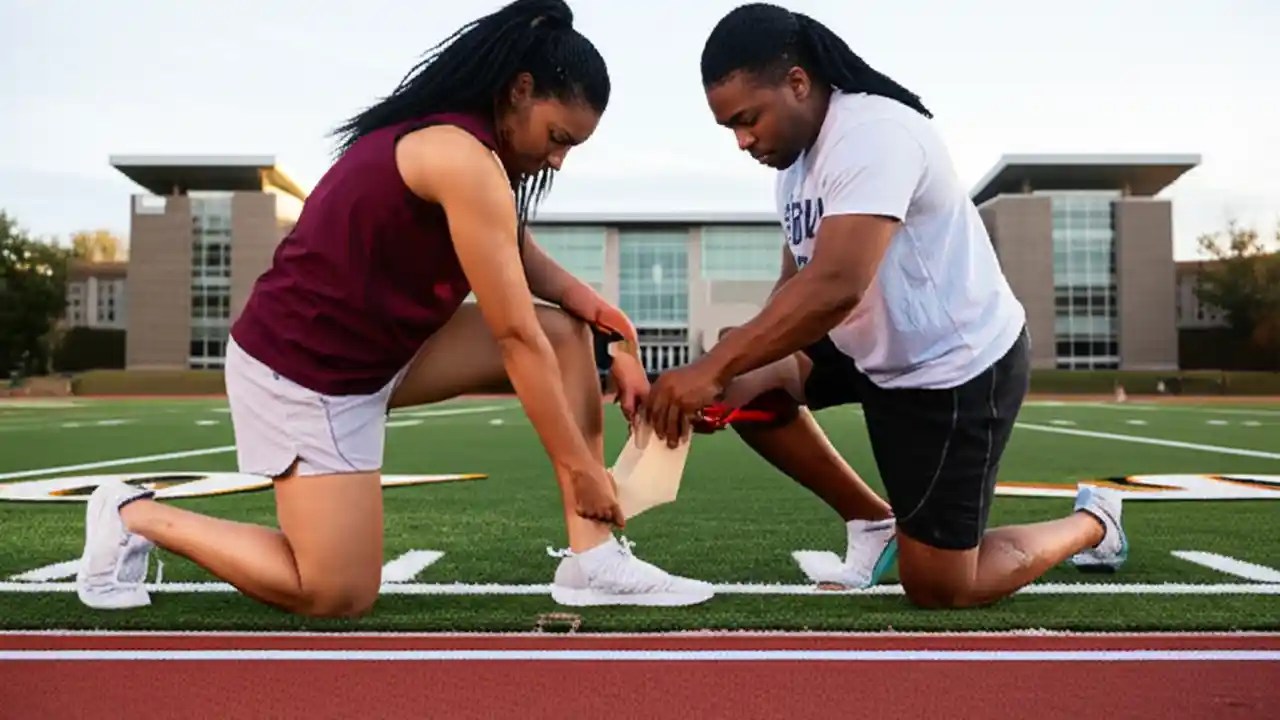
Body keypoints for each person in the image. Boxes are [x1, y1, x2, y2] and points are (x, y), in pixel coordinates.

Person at [75, 0, 713, 616]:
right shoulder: (458, 157)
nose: (557, 158)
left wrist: (615, 329)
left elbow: (513, 250)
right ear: (520, 89)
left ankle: (592, 563)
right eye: (557, 137)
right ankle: (131, 514)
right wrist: (580, 470)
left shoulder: (476, 149)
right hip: (304, 372)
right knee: (337, 592)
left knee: (568, 331)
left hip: (382, 353)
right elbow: (515, 338)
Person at [647, 3, 1128, 608]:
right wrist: (725, 373)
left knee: (942, 587)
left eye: (748, 119)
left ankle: (1097, 523)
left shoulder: (875, 133)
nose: (743, 141)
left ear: (798, 82)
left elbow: (836, 284)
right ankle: (873, 525)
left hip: (951, 365)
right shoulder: (794, 164)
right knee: (740, 374)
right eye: (731, 129)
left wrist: (709, 368)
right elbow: (795, 286)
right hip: (871, 344)